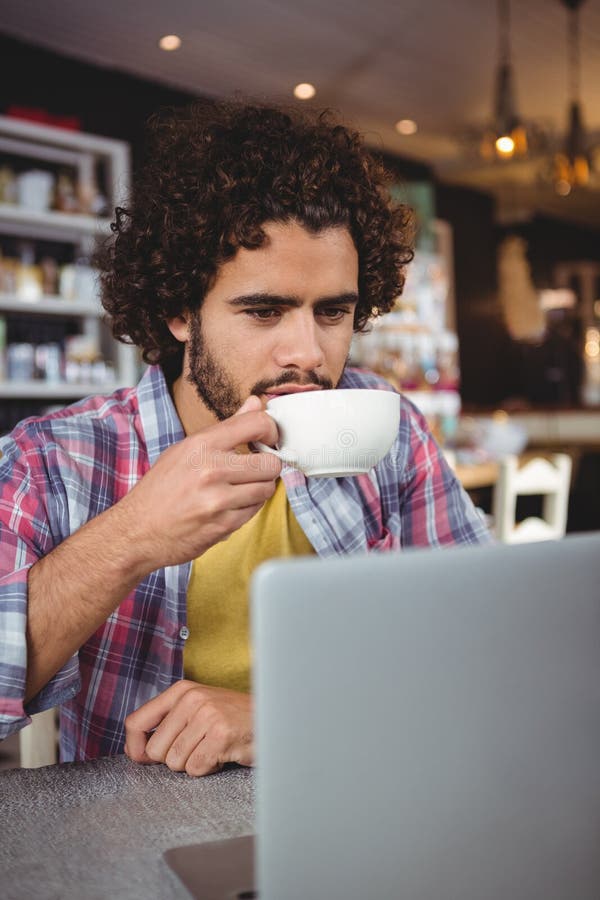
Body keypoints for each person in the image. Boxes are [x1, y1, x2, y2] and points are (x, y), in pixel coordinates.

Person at [0, 99, 491, 775]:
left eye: (333, 312)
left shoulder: (385, 425)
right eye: (264, 311)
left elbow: (484, 648)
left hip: (362, 790)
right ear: (178, 309)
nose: (308, 353)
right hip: (143, 847)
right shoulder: (58, 458)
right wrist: (133, 536)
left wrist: (290, 721)